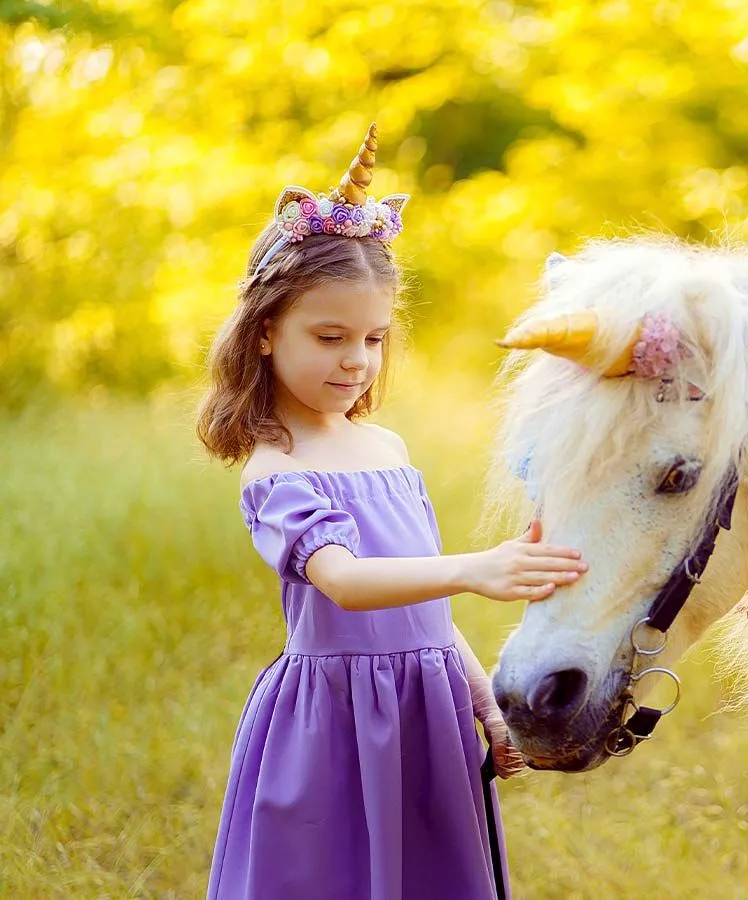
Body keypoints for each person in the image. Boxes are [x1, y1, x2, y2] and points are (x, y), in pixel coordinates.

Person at [196, 123, 587, 899]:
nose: (356, 360)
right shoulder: (277, 468)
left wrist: (487, 707)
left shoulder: (388, 450)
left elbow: (430, 616)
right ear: (267, 330)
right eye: (330, 335)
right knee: (333, 875)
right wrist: (478, 568)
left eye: (373, 338)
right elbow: (344, 580)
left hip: (428, 709)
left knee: (430, 874)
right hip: (334, 723)